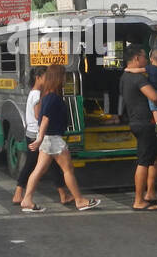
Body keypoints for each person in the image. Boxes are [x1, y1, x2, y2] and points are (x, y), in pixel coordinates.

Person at [20, 65, 101, 213]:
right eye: (64, 76)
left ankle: (27, 199)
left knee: (38, 170)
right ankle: (79, 200)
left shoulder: (47, 95)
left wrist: (40, 138)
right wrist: (39, 139)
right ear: (58, 78)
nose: (65, 79)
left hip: (47, 139)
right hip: (52, 139)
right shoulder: (53, 97)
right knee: (68, 170)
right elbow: (44, 119)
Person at [11, 65, 72, 207]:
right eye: (46, 77)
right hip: (36, 135)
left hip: (34, 134)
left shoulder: (34, 93)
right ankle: (19, 194)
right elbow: (40, 116)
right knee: (33, 165)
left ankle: (63, 194)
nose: (48, 80)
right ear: (38, 78)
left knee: (51, 166)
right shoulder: (38, 95)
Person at [121, 46, 157, 211]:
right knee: (144, 161)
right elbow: (154, 97)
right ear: (135, 59)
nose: (146, 60)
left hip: (137, 121)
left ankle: (150, 194)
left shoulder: (125, 77)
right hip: (144, 123)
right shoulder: (139, 79)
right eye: (143, 57)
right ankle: (139, 200)